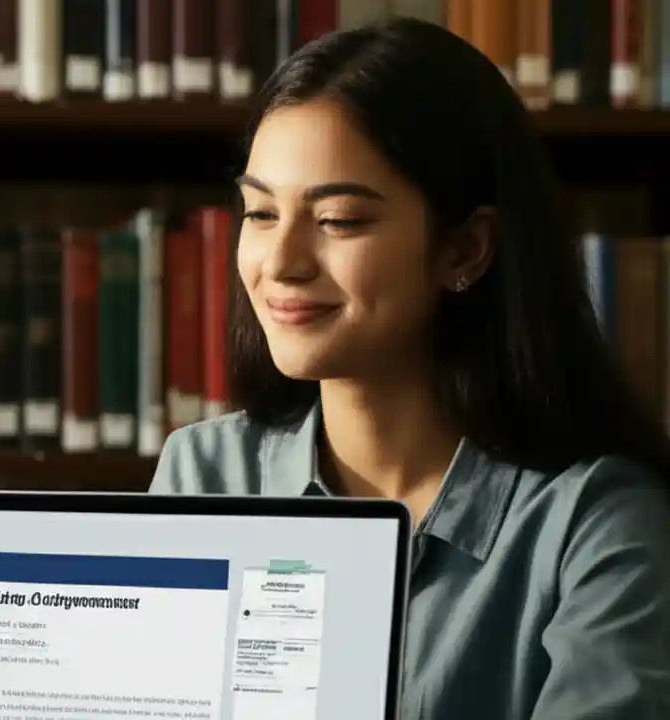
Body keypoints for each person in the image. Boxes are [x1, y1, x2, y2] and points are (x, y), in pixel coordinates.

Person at [149, 17, 670, 720]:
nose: (280, 264)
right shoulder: (204, 476)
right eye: (261, 212)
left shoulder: (596, 520)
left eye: (338, 220)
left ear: (465, 249)